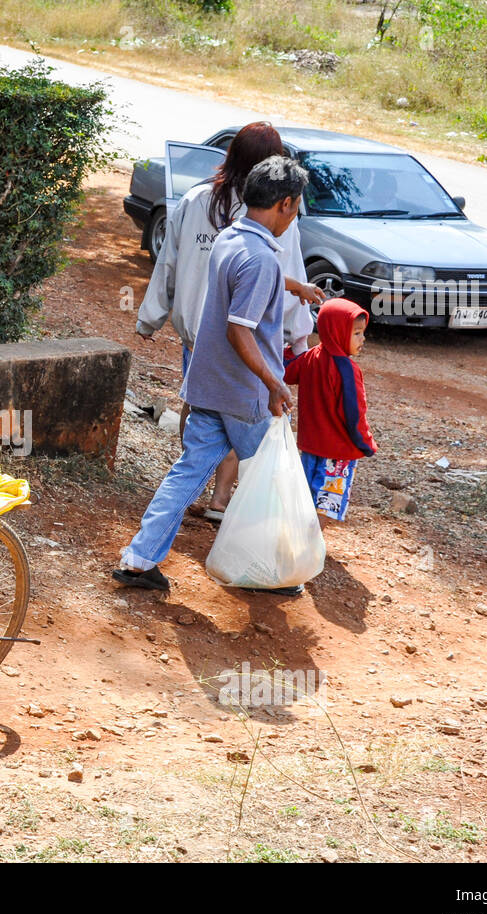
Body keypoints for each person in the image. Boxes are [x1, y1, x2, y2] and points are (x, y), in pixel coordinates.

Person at [113, 155, 309, 594]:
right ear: (285, 204)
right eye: (296, 207)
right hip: (246, 396)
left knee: (186, 475)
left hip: (207, 385)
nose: (294, 215)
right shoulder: (261, 259)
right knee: (270, 481)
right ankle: (269, 570)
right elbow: (240, 330)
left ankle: (138, 558)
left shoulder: (228, 240)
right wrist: (274, 382)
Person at [135, 122, 323, 522]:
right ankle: (224, 499)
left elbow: (168, 259)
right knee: (244, 413)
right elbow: (285, 272)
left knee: (200, 404)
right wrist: (300, 334)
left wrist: (151, 316)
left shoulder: (198, 198)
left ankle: (191, 491)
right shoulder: (275, 215)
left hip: (197, 332)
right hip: (247, 335)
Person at [284, 297, 378, 523]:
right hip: (338, 453)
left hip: (310, 447)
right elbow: (354, 412)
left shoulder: (311, 357)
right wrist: (365, 443)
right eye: (356, 333)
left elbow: (287, 372)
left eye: (362, 333)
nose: (362, 339)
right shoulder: (347, 370)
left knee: (306, 498)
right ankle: (311, 549)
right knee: (326, 505)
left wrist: (288, 347)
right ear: (336, 331)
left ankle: (299, 544)